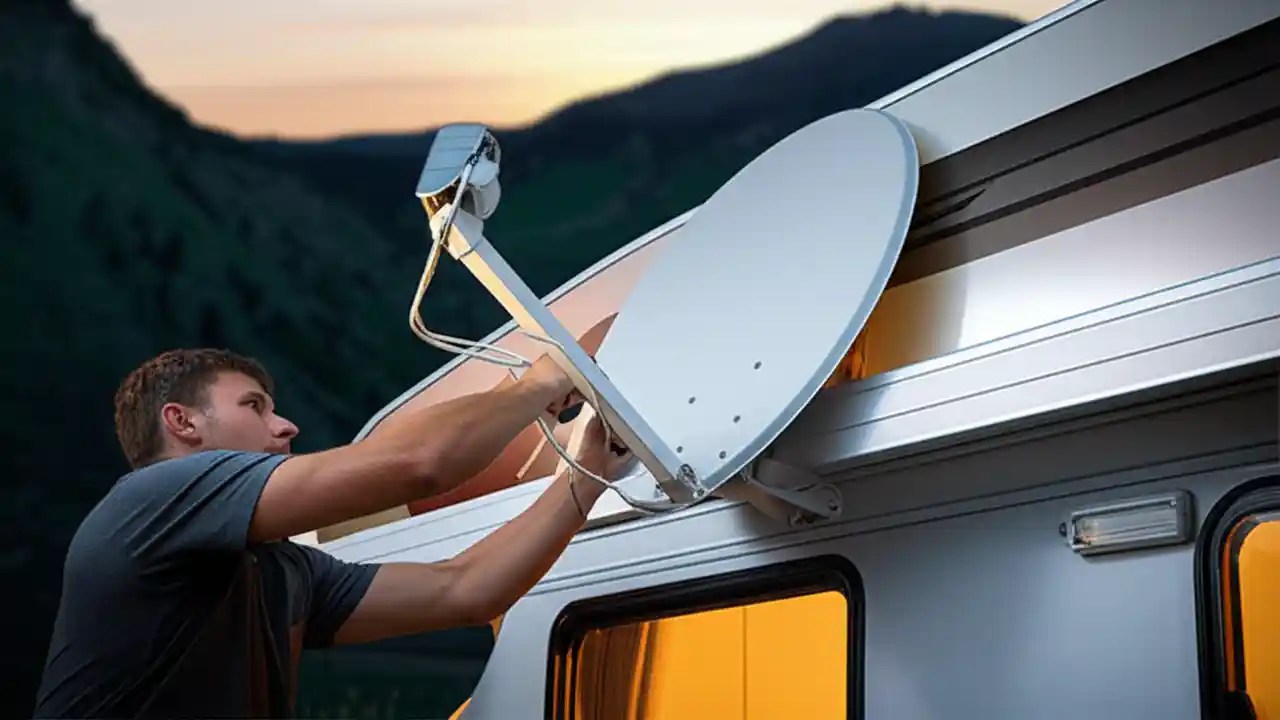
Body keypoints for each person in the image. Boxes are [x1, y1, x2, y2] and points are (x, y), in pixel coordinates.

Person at [34, 347, 629, 719]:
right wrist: (536, 384)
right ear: (182, 422)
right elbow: (418, 465)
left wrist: (586, 476)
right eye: (255, 407)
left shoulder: (282, 567)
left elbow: (466, 589)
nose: (286, 425)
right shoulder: (155, 500)